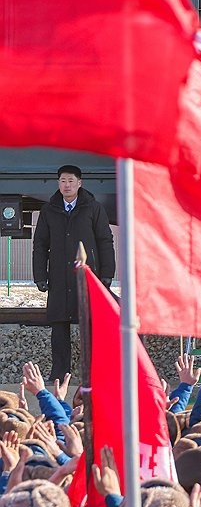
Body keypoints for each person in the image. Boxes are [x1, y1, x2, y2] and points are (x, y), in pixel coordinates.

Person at [31, 164, 115, 382]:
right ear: (58, 183)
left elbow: (105, 241)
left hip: (87, 276)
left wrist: (107, 272)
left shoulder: (93, 208)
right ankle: (60, 374)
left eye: (70, 181)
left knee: (91, 324)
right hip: (59, 277)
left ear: (79, 183)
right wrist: (40, 275)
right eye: (62, 181)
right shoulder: (49, 210)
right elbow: (40, 244)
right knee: (59, 326)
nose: (66, 185)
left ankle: (95, 373)